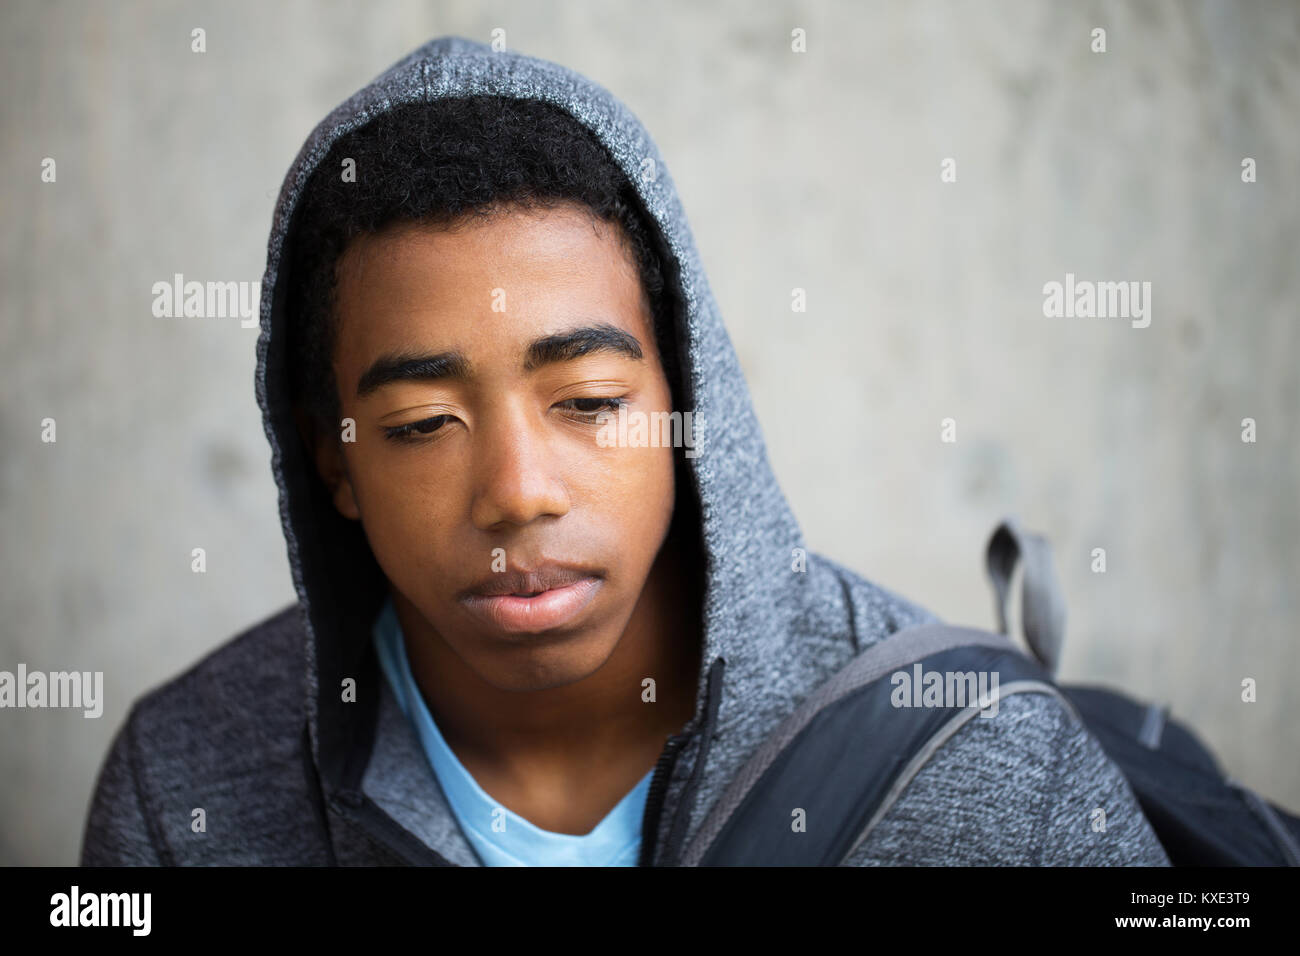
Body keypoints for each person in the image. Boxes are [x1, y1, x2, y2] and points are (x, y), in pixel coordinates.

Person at [80, 35, 1170, 866]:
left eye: (591, 401)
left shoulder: (984, 768)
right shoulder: (184, 790)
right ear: (334, 462)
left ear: (691, 400)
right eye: (420, 424)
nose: (518, 493)